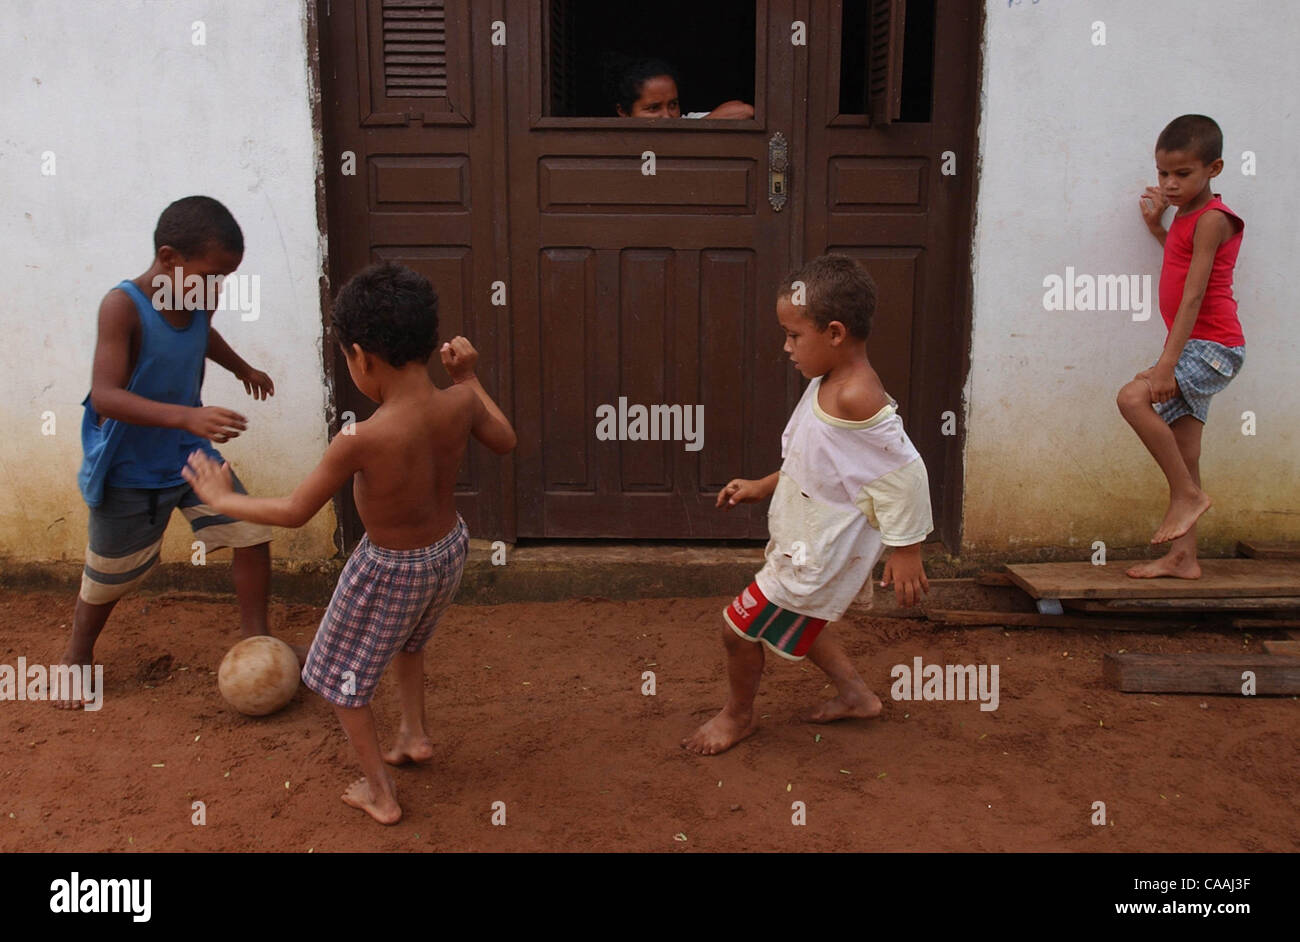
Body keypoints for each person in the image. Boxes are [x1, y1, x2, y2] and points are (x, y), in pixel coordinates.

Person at [183, 262, 516, 824]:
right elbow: (505, 441)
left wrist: (223, 501)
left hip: (387, 567)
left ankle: (379, 792)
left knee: (337, 680)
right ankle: (412, 735)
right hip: (447, 552)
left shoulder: (360, 438)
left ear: (362, 357)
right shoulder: (459, 401)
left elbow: (293, 511)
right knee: (410, 641)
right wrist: (469, 377)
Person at [683, 255, 932, 756]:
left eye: (794, 335)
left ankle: (738, 715)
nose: (787, 346)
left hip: (821, 547)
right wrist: (764, 484)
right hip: (804, 537)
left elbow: (906, 474)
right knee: (805, 617)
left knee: (737, 629)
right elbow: (820, 460)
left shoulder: (857, 396)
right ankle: (857, 696)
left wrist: (907, 550)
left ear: (835, 332)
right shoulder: (828, 383)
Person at [58, 195, 278, 708]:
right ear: (169, 257)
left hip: (190, 454)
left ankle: (256, 639)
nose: (216, 287)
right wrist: (187, 415)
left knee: (249, 532)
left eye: (225, 277)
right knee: (111, 574)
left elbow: (203, 336)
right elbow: (107, 395)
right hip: (131, 464)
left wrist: (242, 368)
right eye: (211, 273)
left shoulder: (198, 299)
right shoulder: (122, 306)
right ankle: (76, 656)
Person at [1118, 115, 1245, 578]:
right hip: (1195, 346)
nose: (1169, 185)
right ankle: (1183, 558)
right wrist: (1157, 227)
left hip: (1213, 347)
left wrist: (1165, 366)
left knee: (1133, 397)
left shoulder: (1213, 219)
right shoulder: (1189, 218)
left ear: (1215, 168)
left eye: (1182, 174)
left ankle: (1187, 496)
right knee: (1187, 448)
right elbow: (1180, 255)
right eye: (1163, 174)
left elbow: (1194, 295)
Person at [613, 57, 754, 119]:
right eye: (654, 108)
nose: (667, 116)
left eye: (673, 105)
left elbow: (745, 111)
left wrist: (689, 132)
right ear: (624, 112)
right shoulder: (614, 141)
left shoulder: (685, 122)